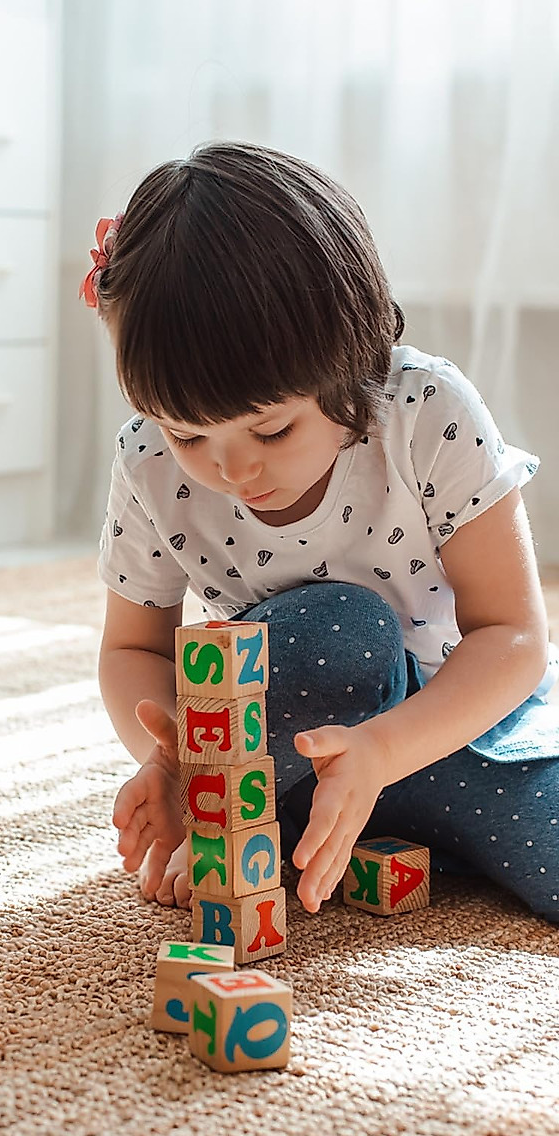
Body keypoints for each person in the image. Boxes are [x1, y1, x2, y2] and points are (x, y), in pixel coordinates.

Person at [88, 141, 559, 924]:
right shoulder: (145, 462)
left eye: (271, 430)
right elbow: (131, 648)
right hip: (286, 764)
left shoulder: (424, 411)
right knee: (338, 632)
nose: (233, 469)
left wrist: (381, 752)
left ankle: (404, 828)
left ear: (354, 356)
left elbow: (512, 636)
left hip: (455, 734)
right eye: (188, 435)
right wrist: (177, 763)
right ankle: (278, 824)